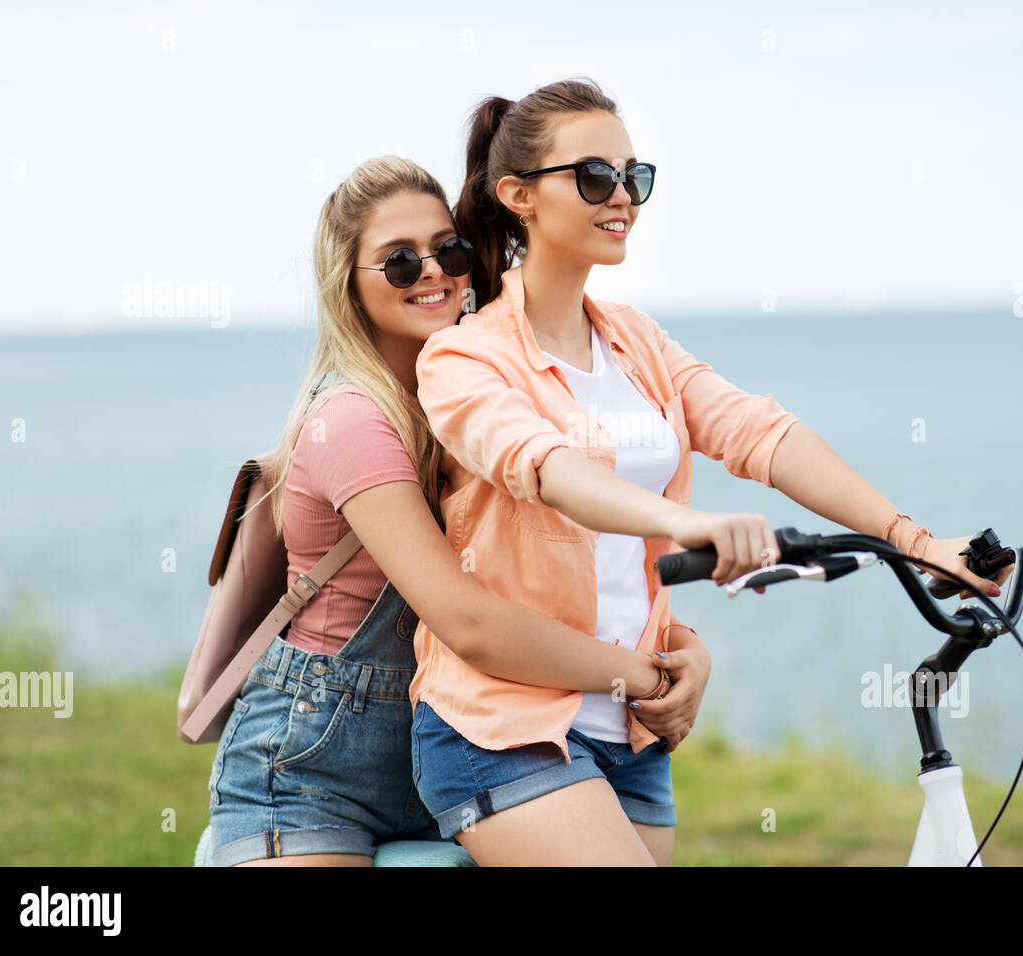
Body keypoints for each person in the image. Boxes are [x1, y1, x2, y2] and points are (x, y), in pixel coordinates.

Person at [409, 77, 1014, 867]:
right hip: (506, 730)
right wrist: (684, 523)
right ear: (519, 194)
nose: (622, 194)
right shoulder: (463, 357)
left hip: (634, 725)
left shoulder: (634, 342)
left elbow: (759, 433)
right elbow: (545, 467)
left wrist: (918, 539)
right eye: (596, 176)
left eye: (636, 176)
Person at [206, 154, 704, 867]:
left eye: (450, 250)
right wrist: (643, 677)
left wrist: (686, 650)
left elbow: (566, 573)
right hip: (312, 771)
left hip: (448, 740)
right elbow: (467, 619)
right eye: (399, 262)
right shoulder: (353, 419)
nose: (433, 271)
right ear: (348, 282)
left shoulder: (480, 399)